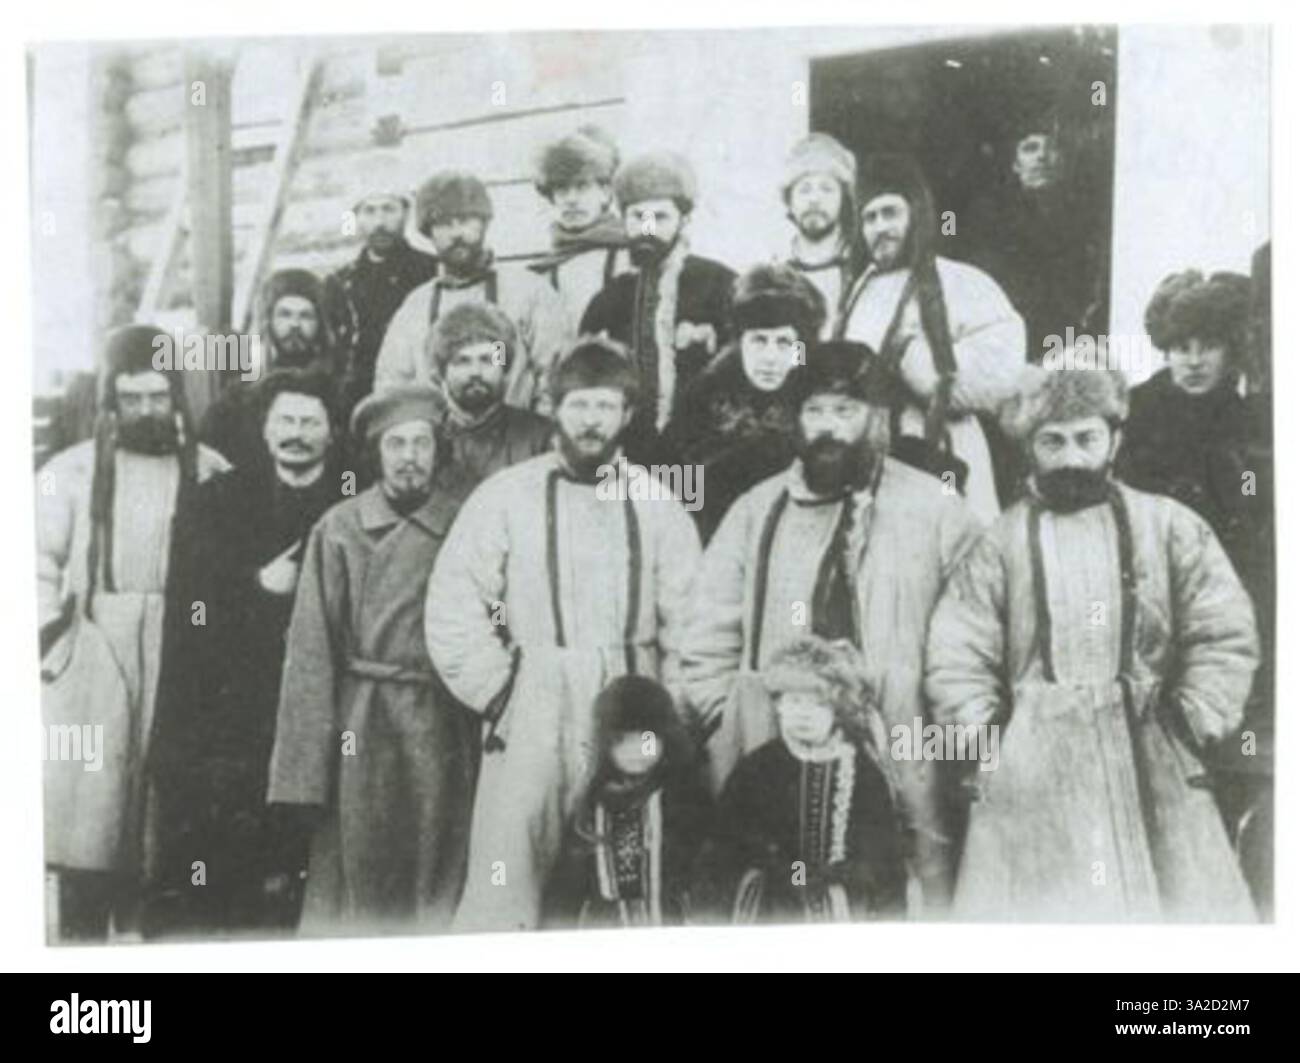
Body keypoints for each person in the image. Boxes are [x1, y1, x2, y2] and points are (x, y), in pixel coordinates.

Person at [926, 366, 1259, 922]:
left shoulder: (1169, 525)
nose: (1071, 456)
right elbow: (958, 646)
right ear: (1031, 448)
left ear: (1115, 440)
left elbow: (1222, 629)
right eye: (1052, 441)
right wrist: (986, 733)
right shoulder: (998, 543)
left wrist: (1192, 716)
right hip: (1031, 766)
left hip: (1153, 752)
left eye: (1087, 438)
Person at [680, 341, 981, 914]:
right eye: (815, 412)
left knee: (910, 882)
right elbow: (707, 631)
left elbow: (971, 627)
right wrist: (728, 714)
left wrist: (947, 722)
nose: (829, 429)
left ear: (878, 418)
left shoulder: (935, 509)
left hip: (902, 731)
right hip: (778, 736)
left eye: (846, 412)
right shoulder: (757, 509)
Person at [424, 338, 702, 932]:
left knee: (628, 862)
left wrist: (671, 707)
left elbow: (691, 617)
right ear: (554, 409)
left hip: (631, 695)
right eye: (577, 405)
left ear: (627, 415)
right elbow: (456, 600)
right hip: (534, 698)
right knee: (510, 860)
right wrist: (500, 691)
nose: (591, 421)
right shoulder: (507, 495)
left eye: (605, 407)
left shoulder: (657, 504)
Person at [38, 325, 229, 941]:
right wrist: (58, 643)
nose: (147, 410)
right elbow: (34, 566)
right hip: (93, 653)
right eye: (132, 397)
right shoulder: (67, 473)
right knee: (91, 816)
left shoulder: (208, 469)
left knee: (164, 817)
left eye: (158, 395)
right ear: (111, 402)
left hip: (180, 650)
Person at [266, 385, 477, 933]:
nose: (409, 456)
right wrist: (303, 776)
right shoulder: (339, 528)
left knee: (438, 868)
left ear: (438, 451)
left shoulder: (466, 523)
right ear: (376, 454)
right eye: (396, 444)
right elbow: (310, 653)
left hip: (441, 719)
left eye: (421, 443)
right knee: (356, 876)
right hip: (361, 723)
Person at [147, 368, 345, 936]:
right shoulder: (221, 500)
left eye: (311, 422)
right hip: (237, 697)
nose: (297, 433)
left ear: (331, 434)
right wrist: (257, 587)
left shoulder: (346, 504)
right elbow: (193, 603)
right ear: (264, 428)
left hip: (317, 698)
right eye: (285, 419)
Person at [839, 154, 1025, 521]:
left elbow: (1002, 367)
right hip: (871, 454)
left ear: (916, 214)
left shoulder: (962, 282)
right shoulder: (856, 293)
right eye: (870, 218)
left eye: (891, 213)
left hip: (943, 450)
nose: (880, 227)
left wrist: (919, 363)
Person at [693, 636, 907, 924]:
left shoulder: (863, 772)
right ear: (778, 705)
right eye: (794, 701)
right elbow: (724, 847)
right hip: (772, 907)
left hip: (843, 908)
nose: (803, 713)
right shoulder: (758, 767)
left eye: (817, 703)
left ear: (837, 710)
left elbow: (883, 855)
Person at [580, 151, 736, 464]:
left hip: (702, 455)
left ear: (685, 220)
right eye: (638, 217)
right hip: (626, 455)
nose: (647, 229)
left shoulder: (720, 283)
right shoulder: (609, 297)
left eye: (660, 217)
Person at [373, 170, 569, 412]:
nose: (456, 233)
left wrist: (535, 434)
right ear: (429, 232)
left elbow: (556, 374)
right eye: (444, 224)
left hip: (514, 439)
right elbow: (391, 385)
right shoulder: (416, 306)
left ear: (484, 223)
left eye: (465, 221)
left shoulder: (527, 291)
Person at [663, 262, 825, 542]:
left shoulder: (817, 402)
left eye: (784, 343)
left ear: (800, 348)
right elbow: (666, 486)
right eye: (759, 341)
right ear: (739, 343)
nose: (770, 358)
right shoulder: (701, 400)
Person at [542, 675, 710, 929]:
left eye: (644, 739)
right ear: (606, 745)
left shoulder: (685, 799)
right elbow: (565, 891)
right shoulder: (594, 808)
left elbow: (707, 871)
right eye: (621, 740)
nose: (635, 751)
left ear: (665, 735)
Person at [962, 119, 1103, 362]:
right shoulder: (991, 219)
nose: (1042, 157)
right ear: (1015, 164)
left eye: (1052, 148)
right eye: (1030, 148)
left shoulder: (1087, 219)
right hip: (1012, 341)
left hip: (1070, 342)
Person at [322, 160, 438, 421]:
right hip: (354, 404)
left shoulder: (430, 271)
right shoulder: (340, 283)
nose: (380, 222)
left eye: (389, 209)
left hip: (414, 399)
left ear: (405, 214)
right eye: (370, 211)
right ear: (357, 217)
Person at [200, 268, 337, 474]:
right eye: (284, 314)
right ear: (269, 321)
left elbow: (348, 473)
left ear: (320, 325)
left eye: (306, 316)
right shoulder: (239, 396)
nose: (295, 325)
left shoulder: (337, 391)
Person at [426, 302, 553, 500]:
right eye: (463, 361)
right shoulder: (427, 438)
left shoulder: (540, 437)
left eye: (487, 360)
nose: (476, 372)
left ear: (504, 368)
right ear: (442, 372)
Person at [527, 125, 629, 334]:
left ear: (606, 193)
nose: (572, 200)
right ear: (551, 197)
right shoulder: (542, 273)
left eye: (582, 186)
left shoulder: (628, 256)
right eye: (562, 189)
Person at [780, 133, 863, 340]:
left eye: (827, 189)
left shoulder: (863, 268)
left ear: (843, 199)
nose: (815, 200)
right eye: (804, 190)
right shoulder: (776, 274)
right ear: (789, 202)